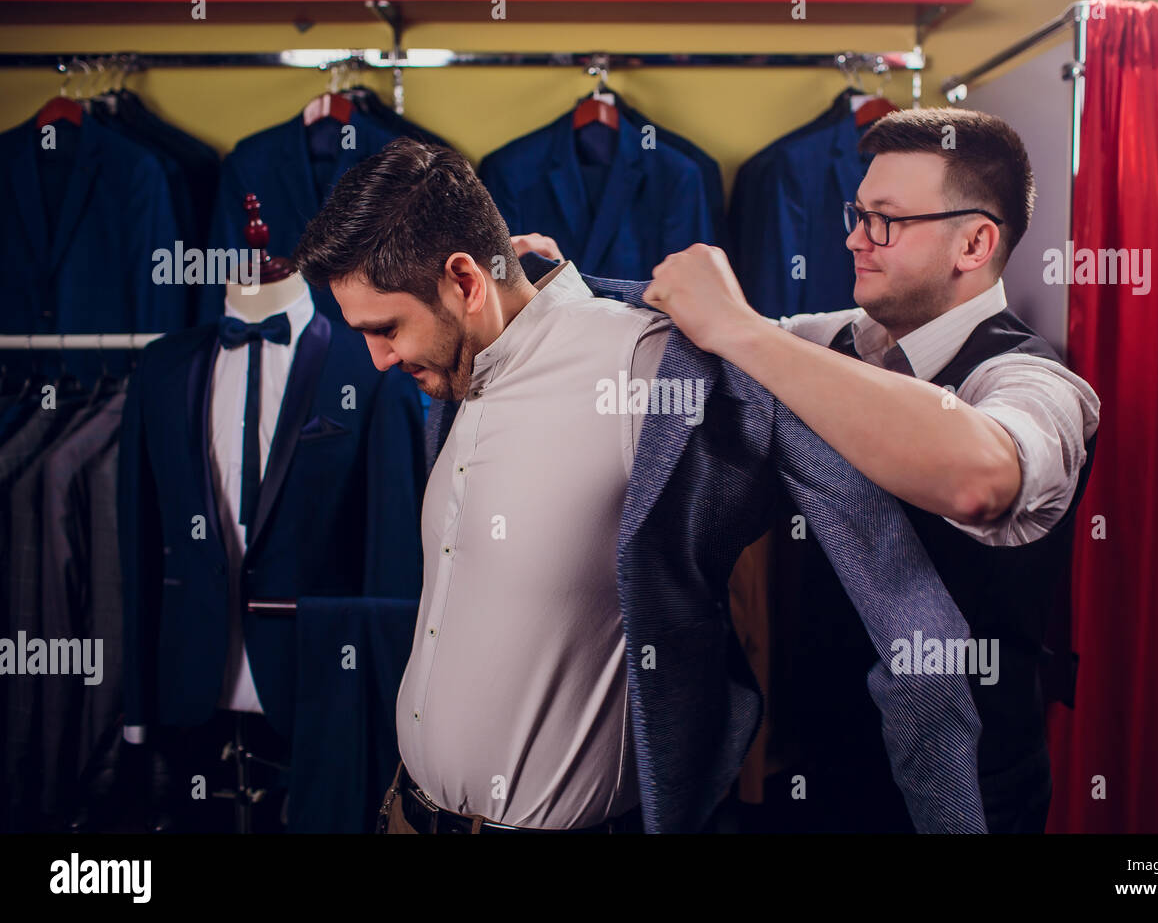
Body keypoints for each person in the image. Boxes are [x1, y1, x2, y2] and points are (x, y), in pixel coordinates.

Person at [292, 137, 990, 834]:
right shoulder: (457, 365)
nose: (377, 359)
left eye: (384, 330)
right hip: (402, 811)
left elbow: (891, 580)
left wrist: (950, 812)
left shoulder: (652, 370)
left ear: (465, 281)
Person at [643, 107, 1101, 833]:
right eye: (858, 213)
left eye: (884, 221)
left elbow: (980, 477)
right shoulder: (832, 340)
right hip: (821, 776)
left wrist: (738, 328)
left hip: (964, 797)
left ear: (975, 242)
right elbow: (685, 339)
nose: (854, 238)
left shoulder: (1037, 384)